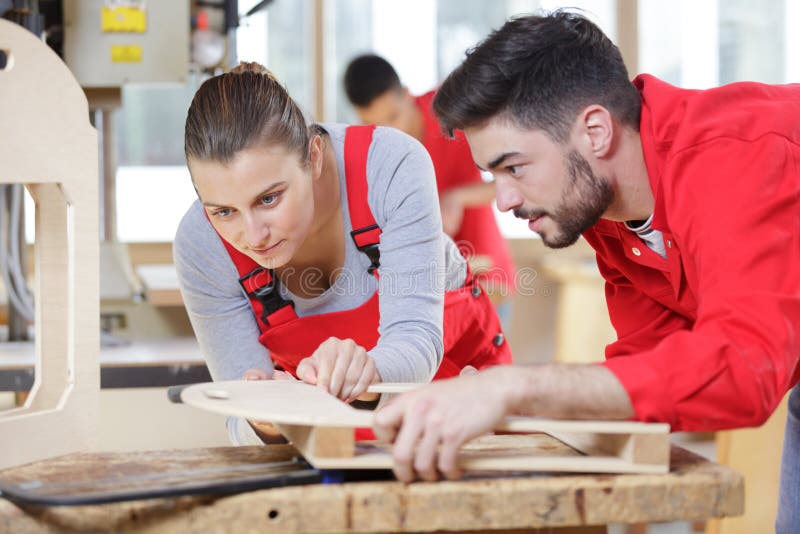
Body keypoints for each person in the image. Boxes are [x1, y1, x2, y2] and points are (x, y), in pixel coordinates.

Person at [372, 12, 800, 527]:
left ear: (595, 131)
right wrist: (508, 416)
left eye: (514, 167)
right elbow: (653, 366)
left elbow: (741, 371)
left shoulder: (731, 156)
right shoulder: (610, 216)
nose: (502, 199)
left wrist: (516, 389)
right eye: (493, 174)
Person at [174, 62, 512, 445]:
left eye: (269, 198)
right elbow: (237, 420)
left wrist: (366, 369)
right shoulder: (200, 244)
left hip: (461, 414)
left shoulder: (391, 165)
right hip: (331, 448)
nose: (253, 236)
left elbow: (415, 338)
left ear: (314, 156)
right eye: (223, 211)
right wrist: (266, 421)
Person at [343, 55, 516, 320]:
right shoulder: (373, 149)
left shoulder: (451, 109)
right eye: (377, 124)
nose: (390, 130)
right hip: (429, 292)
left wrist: (457, 197)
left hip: (485, 274)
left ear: (406, 93)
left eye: (393, 116)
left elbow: (514, 177)